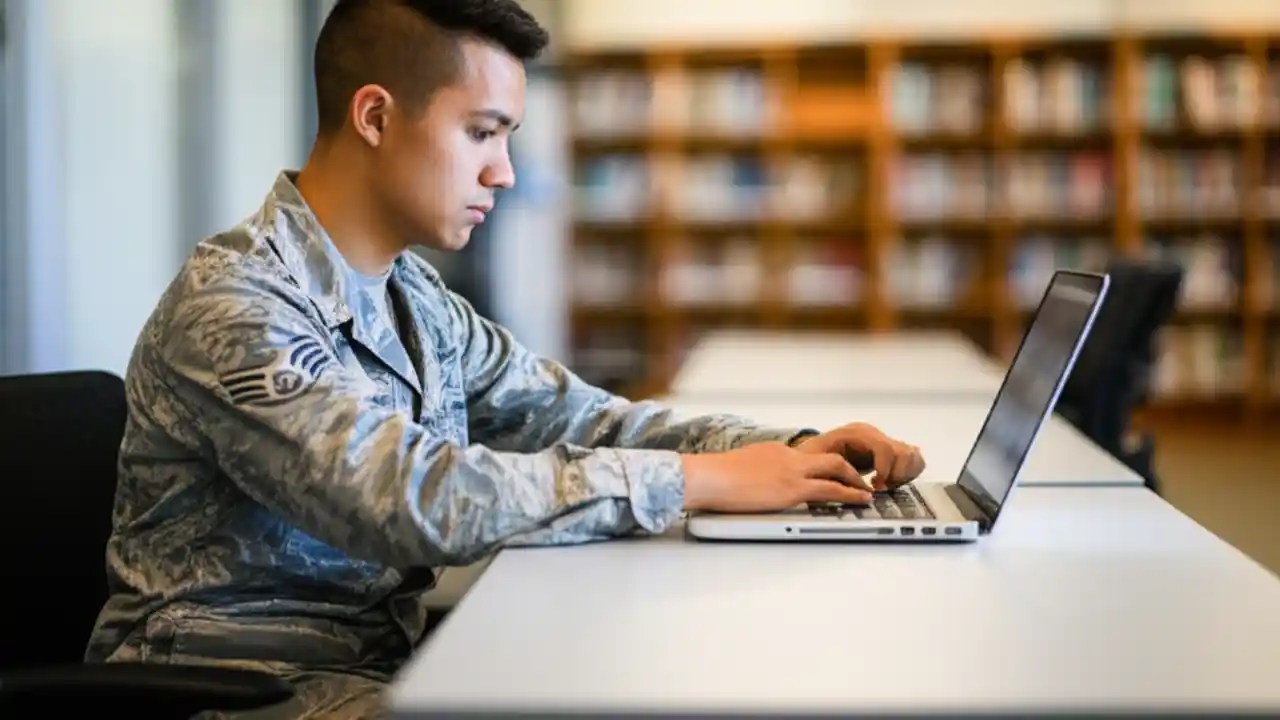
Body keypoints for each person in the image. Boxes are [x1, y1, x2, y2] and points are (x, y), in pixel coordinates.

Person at [84, 0, 925, 716]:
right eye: (482, 133)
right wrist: (696, 482)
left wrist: (786, 451)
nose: (506, 172)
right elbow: (407, 498)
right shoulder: (235, 305)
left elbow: (589, 418)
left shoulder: (415, 300)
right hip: (231, 691)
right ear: (375, 117)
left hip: (369, 672)